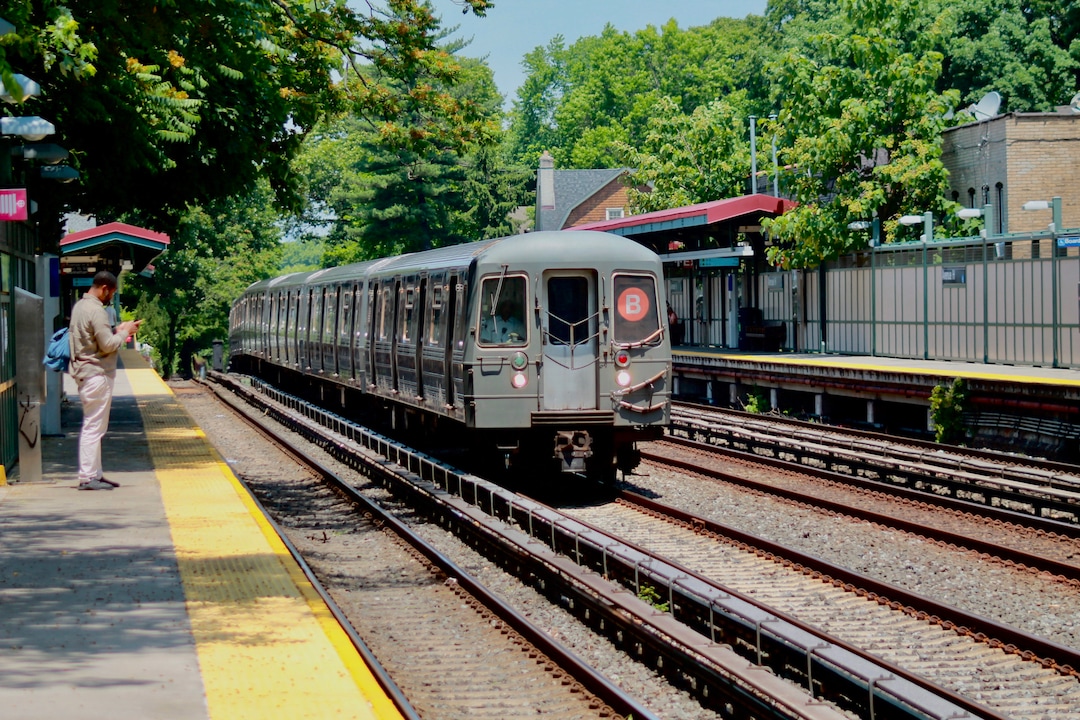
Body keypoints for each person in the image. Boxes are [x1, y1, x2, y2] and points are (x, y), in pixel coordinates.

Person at [69, 271, 142, 491]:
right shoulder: (97, 311)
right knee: (94, 427)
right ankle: (88, 476)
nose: (110, 297)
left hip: (85, 373)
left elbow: (96, 338)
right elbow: (108, 345)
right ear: (104, 289)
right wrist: (124, 332)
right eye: (111, 293)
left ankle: (95, 474)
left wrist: (116, 331)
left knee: (95, 426)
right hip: (96, 374)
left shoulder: (80, 307)